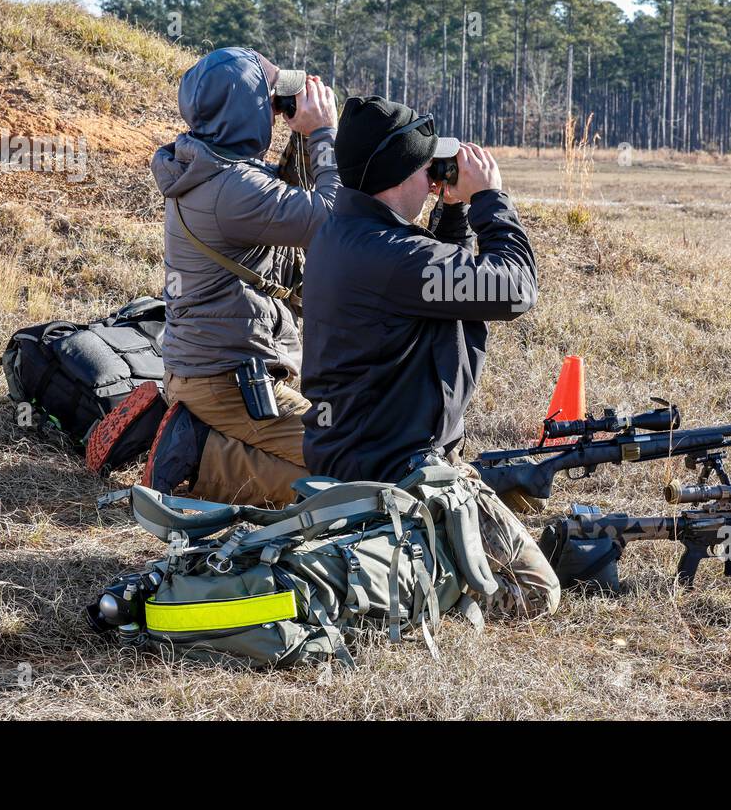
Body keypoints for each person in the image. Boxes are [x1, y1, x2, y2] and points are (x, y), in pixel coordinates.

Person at [299, 95, 558, 616]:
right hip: (397, 472)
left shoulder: (344, 232)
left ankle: (421, 550)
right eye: (426, 168)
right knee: (534, 591)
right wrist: (490, 199)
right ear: (399, 176)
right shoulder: (394, 257)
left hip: (350, 452)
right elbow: (514, 289)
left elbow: (443, 285)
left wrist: (454, 209)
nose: (434, 178)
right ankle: (424, 574)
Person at [142, 47, 340, 507]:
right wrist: (322, 134)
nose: (276, 112)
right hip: (227, 383)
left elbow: (283, 195)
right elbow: (333, 221)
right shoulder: (231, 189)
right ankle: (202, 457)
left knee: (336, 462)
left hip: (209, 372)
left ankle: (200, 437)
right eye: (271, 101)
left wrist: (298, 137)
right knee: (349, 465)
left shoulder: (204, 164)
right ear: (248, 112)